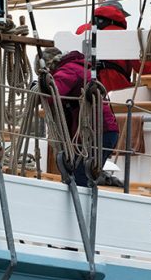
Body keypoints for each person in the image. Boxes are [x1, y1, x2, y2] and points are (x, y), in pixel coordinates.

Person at [49, 50, 120, 187]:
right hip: (103, 132)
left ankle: (85, 206)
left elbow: (52, 94)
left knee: (81, 175)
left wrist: (42, 85)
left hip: (99, 132)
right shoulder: (77, 67)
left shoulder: (69, 69)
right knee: (80, 172)